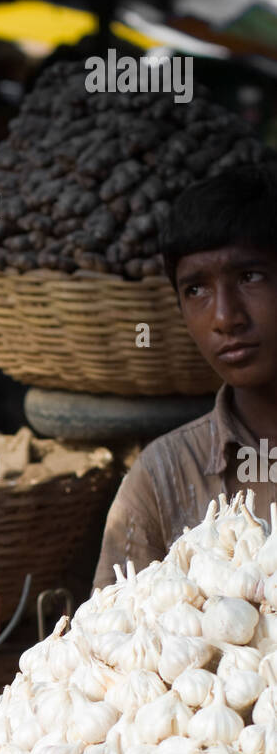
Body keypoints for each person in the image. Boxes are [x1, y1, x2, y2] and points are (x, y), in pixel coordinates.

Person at [94, 162, 277, 588]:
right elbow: (107, 642)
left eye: (250, 276)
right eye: (196, 289)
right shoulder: (161, 477)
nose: (224, 317)